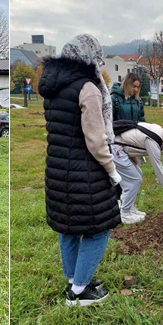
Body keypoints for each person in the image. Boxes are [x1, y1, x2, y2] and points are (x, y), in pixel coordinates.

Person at [37, 34, 122, 307]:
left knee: (69, 228)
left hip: (57, 169)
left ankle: (74, 280)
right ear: (87, 58)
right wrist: (112, 170)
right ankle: (79, 292)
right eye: (97, 57)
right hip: (85, 172)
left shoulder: (53, 86)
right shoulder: (88, 88)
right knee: (99, 228)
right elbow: (96, 140)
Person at [113, 121, 163, 223]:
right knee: (134, 179)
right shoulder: (154, 140)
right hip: (115, 148)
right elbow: (158, 167)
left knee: (138, 174)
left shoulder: (158, 131)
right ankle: (125, 214)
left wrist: (132, 157)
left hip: (118, 147)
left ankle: (130, 208)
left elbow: (133, 140)